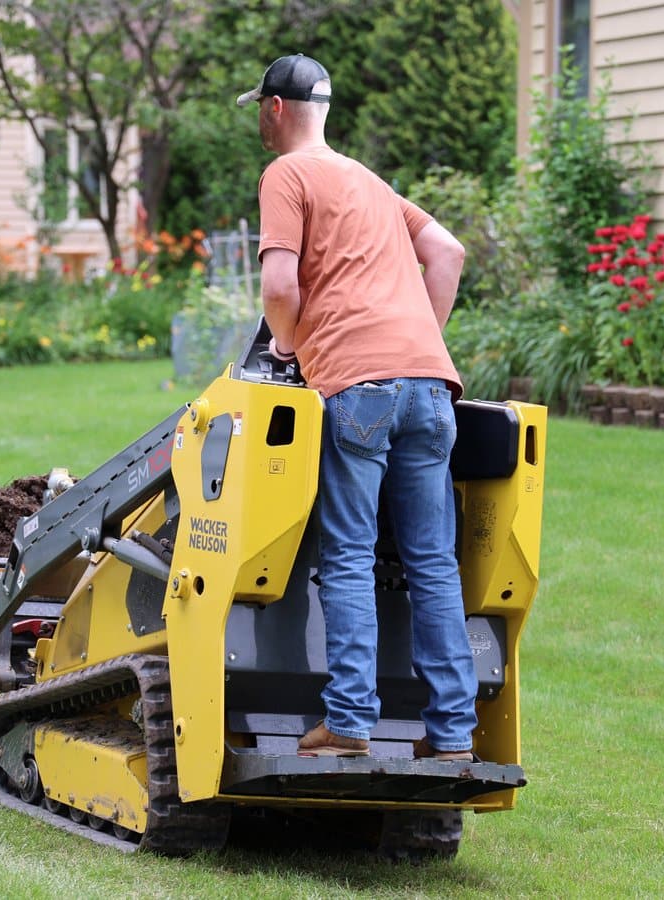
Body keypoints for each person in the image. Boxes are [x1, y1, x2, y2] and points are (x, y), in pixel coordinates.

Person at [237, 54, 477, 762]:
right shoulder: (369, 181)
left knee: (347, 556)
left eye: (260, 107)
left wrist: (286, 347)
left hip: (359, 390)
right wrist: (420, 339)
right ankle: (453, 734)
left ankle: (347, 723)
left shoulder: (287, 174)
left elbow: (281, 285)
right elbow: (448, 252)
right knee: (433, 562)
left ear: (276, 108)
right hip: (432, 390)